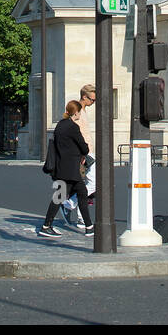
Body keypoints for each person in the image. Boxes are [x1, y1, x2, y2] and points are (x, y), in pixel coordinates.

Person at [39, 101, 93, 238]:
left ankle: (89, 226)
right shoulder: (73, 127)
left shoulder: (60, 125)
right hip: (71, 169)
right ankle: (46, 226)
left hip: (62, 166)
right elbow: (84, 147)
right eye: (79, 112)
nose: (80, 114)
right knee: (61, 196)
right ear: (76, 112)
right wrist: (82, 152)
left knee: (80, 193)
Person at [61, 83, 96, 228]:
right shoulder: (79, 112)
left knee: (86, 184)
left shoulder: (84, 111)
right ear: (84, 97)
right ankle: (70, 204)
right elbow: (78, 134)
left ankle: (82, 217)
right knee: (93, 182)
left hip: (88, 151)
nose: (94, 102)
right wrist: (83, 153)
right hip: (85, 153)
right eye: (92, 99)